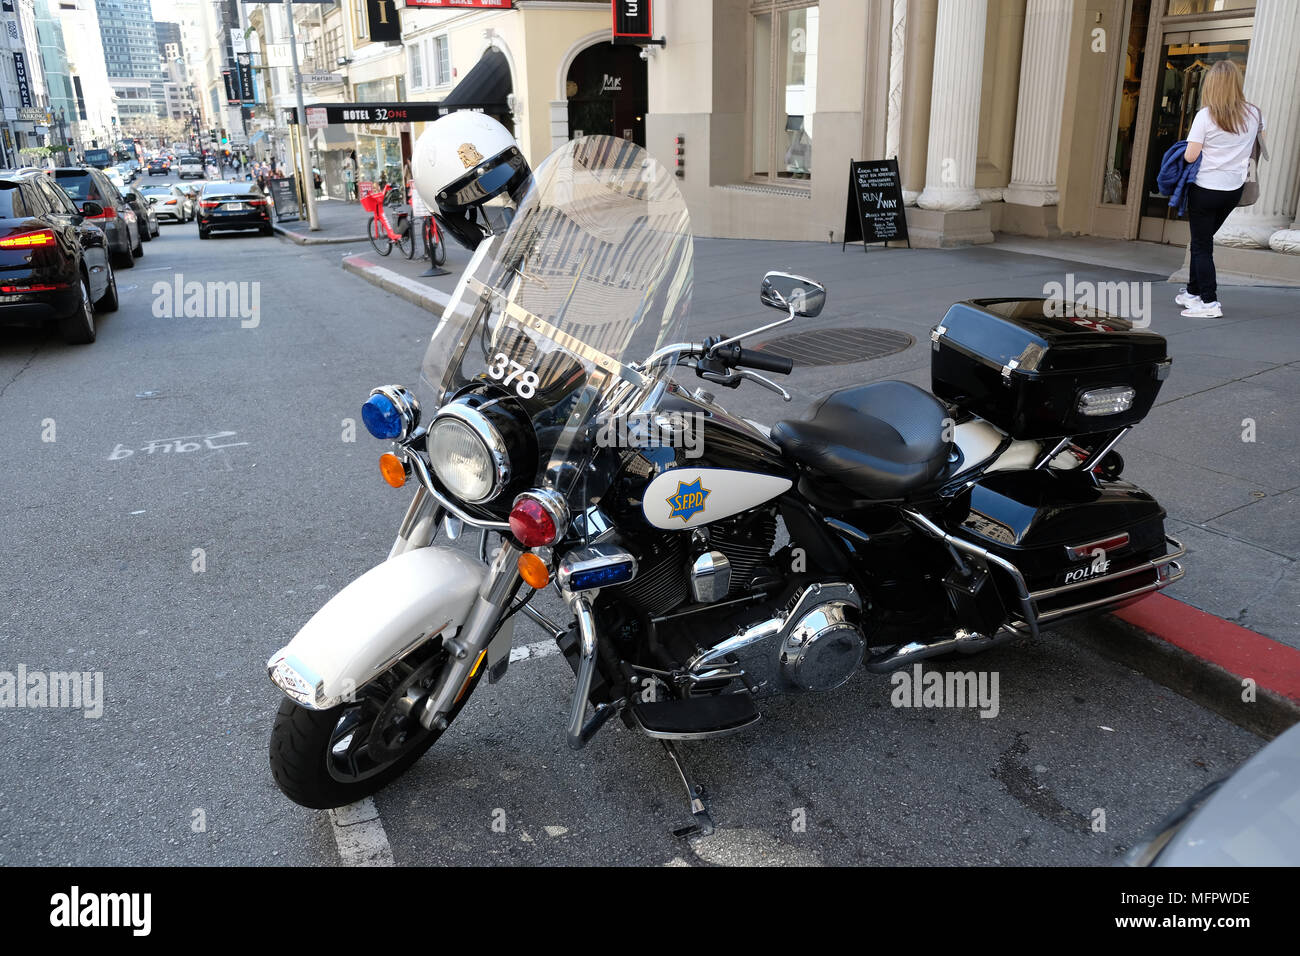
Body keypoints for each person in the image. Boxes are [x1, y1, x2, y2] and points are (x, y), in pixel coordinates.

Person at [1176, 61, 1263, 319]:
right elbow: (1257, 146)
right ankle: (1192, 292)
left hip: (1205, 189)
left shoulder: (1205, 116)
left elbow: (1191, 156)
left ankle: (1210, 302)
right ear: (1236, 84)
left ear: (1211, 85)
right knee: (1201, 242)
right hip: (1233, 190)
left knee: (1202, 246)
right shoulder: (1254, 114)